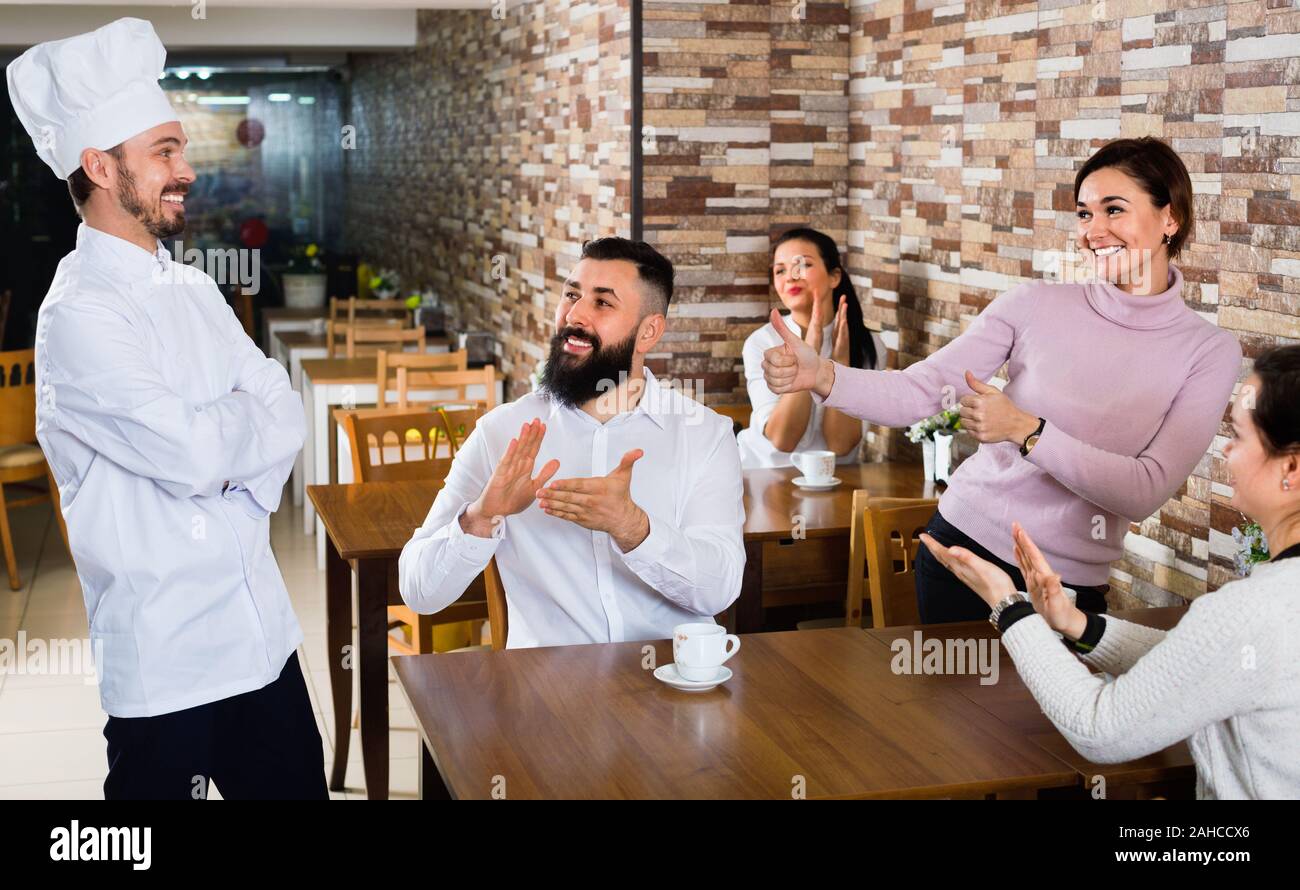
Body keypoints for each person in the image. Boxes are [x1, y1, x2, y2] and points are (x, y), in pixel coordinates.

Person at [10, 18, 325, 799]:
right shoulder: (77, 312)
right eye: (165, 152)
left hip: (262, 640)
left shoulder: (192, 286)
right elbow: (189, 452)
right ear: (100, 166)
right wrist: (228, 450)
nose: (187, 170)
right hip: (166, 662)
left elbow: (283, 409)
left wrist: (226, 455)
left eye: (180, 149)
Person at [762, 138, 1242, 623]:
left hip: (1070, 587)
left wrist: (1027, 431)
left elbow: (1144, 491)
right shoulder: (1035, 304)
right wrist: (821, 374)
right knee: (947, 701)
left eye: (1113, 210)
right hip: (963, 554)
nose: (1094, 231)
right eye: (1084, 214)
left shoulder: (1208, 352)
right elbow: (921, 390)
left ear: (1170, 218)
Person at [920, 343, 1300, 799]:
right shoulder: (1263, 613)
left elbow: (1099, 729)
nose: (1225, 450)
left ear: (1291, 468)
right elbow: (1202, 660)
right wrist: (1075, 623)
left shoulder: (1250, 612)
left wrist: (1009, 605)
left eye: (1238, 436)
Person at [399, 238, 745, 647]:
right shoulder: (501, 432)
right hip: (551, 690)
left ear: (648, 331)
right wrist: (480, 517)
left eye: (602, 303)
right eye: (571, 294)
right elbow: (419, 592)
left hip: (674, 681)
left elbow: (720, 588)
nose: (575, 314)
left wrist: (632, 527)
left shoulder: (705, 434)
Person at [737, 227, 887, 469]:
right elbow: (782, 439)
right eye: (780, 270)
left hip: (837, 483)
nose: (790, 276)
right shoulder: (762, 343)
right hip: (763, 475)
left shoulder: (869, 346)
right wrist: (809, 353)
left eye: (802, 265)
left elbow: (840, 445)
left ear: (834, 276)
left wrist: (840, 365)